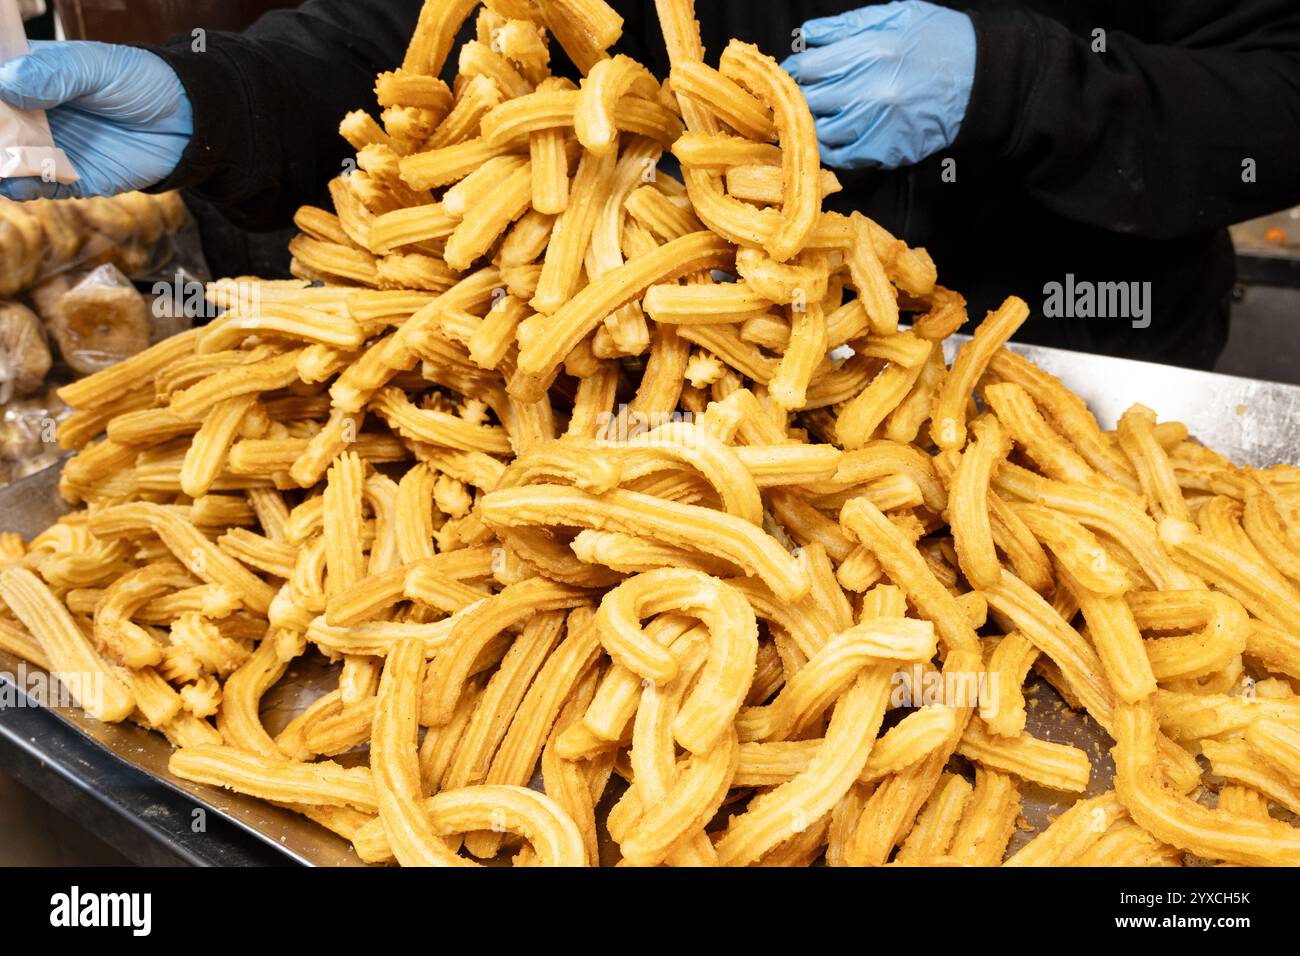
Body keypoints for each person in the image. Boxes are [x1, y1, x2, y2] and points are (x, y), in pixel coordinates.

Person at [3, 0, 1300, 370]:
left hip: (1059, 390)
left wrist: (1023, 78)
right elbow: (444, 36)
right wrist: (215, 98)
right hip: (697, 399)